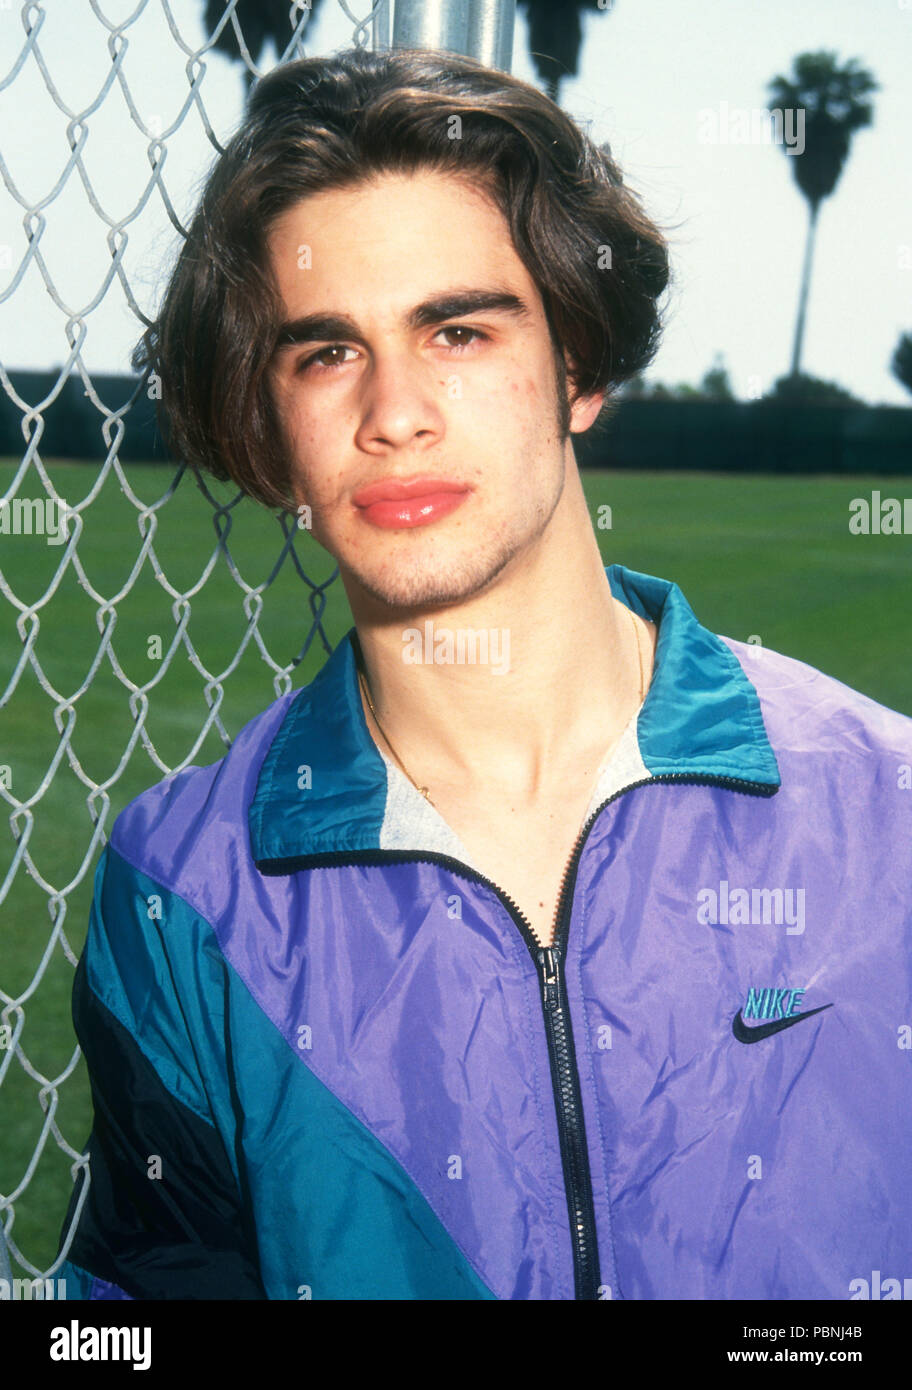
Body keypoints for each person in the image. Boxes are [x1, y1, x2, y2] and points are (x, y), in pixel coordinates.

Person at [56, 46, 911, 1302]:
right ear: (270, 422)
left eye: (456, 330)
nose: (395, 412)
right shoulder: (186, 892)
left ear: (578, 367)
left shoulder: (887, 813)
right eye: (326, 352)